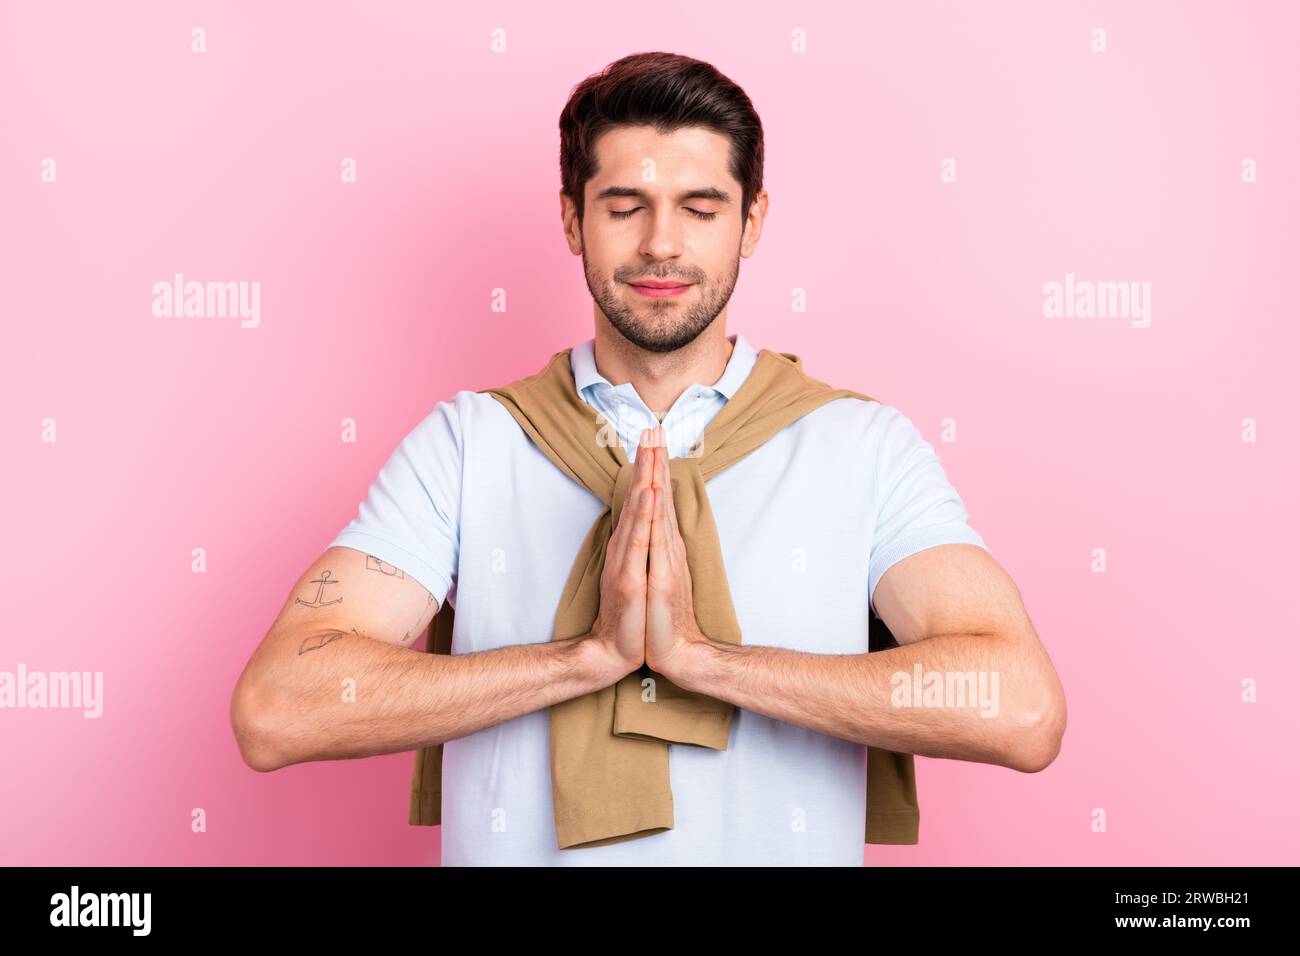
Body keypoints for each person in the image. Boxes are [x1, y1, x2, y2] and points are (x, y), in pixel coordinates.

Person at [230, 51, 1066, 866]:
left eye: (700, 208)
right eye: (625, 205)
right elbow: (276, 710)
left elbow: (1022, 711)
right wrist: (581, 660)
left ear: (753, 222)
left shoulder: (862, 447)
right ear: (571, 219)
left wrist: (706, 663)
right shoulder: (468, 444)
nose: (662, 243)